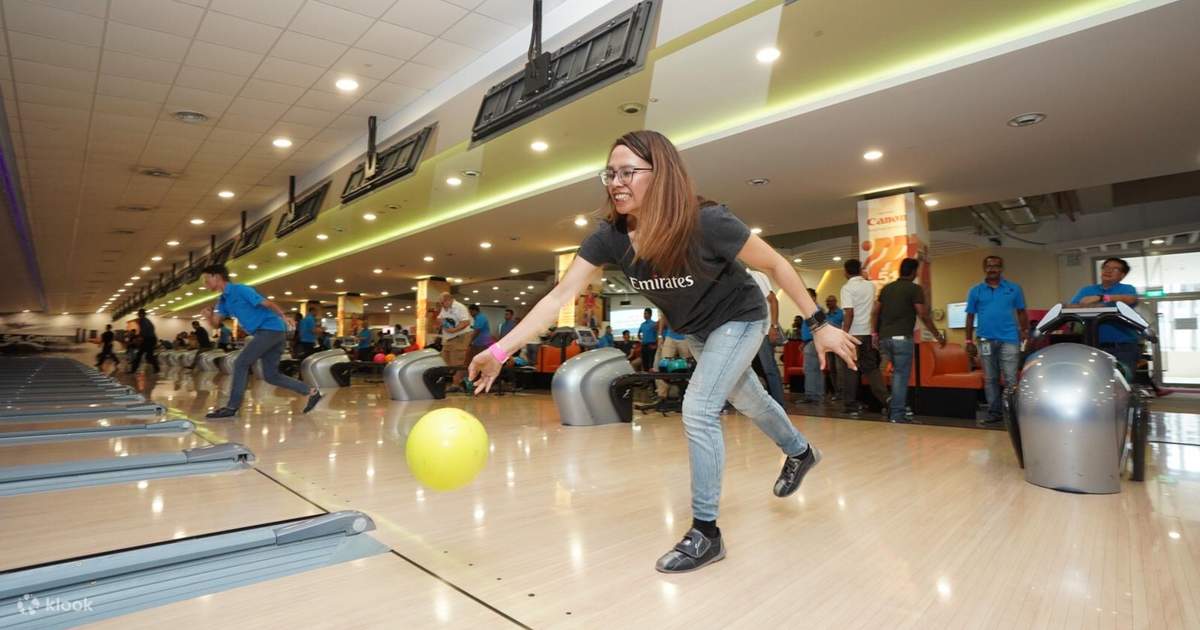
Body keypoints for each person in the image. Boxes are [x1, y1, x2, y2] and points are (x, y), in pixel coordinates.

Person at [469, 130, 857, 573]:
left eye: (628, 172)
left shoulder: (705, 220)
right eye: (610, 173)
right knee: (747, 398)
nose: (616, 182)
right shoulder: (610, 236)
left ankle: (706, 533)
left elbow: (774, 264)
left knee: (698, 408)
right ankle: (800, 452)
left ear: (662, 174)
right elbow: (559, 298)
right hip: (696, 330)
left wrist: (819, 324)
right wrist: (499, 351)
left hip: (741, 316)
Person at [199, 263, 321, 418]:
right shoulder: (222, 300)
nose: (205, 283)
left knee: (241, 363)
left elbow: (267, 303)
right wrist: (209, 316)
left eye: (206, 279)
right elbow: (216, 323)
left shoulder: (240, 289)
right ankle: (312, 392)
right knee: (271, 375)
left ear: (216, 276)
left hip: (271, 329)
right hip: (266, 333)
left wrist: (283, 316)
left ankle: (232, 407)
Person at [872, 257, 945, 423]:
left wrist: (875, 334)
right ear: (913, 272)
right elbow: (922, 314)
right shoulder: (914, 289)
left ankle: (890, 407)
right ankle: (897, 415)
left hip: (884, 338)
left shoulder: (887, 289)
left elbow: (875, 312)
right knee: (900, 376)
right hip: (902, 339)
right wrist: (937, 335)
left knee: (887, 373)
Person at [964, 255, 1029, 427]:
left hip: (1010, 339)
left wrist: (1025, 331)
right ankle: (994, 412)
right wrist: (968, 341)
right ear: (984, 268)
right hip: (985, 340)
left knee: (1010, 378)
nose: (993, 269)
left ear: (1001, 268)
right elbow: (970, 316)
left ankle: (1014, 413)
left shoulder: (1014, 289)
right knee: (990, 378)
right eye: (989, 266)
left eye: (996, 266)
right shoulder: (975, 291)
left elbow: (1021, 312)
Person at [1070, 256, 1140, 378]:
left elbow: (1131, 299)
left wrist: (1102, 298)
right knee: (1095, 382)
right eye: (1106, 267)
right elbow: (1072, 308)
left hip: (1123, 348)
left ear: (1122, 275)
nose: (1108, 271)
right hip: (1093, 346)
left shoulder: (1126, 289)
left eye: (1115, 269)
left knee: (1122, 384)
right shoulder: (1086, 290)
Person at [838, 259, 888, 415]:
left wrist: (844, 334)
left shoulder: (847, 288)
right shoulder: (870, 286)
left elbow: (849, 313)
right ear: (859, 270)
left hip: (853, 333)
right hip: (867, 332)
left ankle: (851, 404)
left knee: (850, 368)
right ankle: (886, 399)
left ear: (845, 271)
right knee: (871, 369)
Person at [747, 268, 786, 408]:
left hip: (763, 331)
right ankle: (759, 402)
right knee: (746, 370)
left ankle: (779, 404)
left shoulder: (755, 276)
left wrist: (773, 326)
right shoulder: (733, 278)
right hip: (746, 332)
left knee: (769, 368)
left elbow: (773, 300)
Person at [436, 292, 472, 391]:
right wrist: (440, 321)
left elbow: (466, 322)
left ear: (449, 300)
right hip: (449, 338)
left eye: (442, 303)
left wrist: (454, 330)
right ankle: (449, 382)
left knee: (457, 362)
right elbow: (440, 318)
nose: (442, 305)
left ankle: (456, 384)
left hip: (461, 337)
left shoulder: (460, 307)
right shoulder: (445, 307)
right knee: (445, 360)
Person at [654, 316, 694, 402]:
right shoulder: (671, 303)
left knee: (688, 367)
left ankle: (686, 395)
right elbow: (664, 317)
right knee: (663, 365)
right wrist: (660, 336)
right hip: (670, 337)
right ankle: (662, 395)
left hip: (685, 338)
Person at [798, 288, 825, 404]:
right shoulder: (812, 310)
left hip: (813, 342)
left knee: (809, 369)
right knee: (816, 370)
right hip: (811, 342)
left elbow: (819, 328)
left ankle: (811, 395)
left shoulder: (814, 310)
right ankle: (817, 395)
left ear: (814, 298)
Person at [824, 295, 844, 400]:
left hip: (839, 343)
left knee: (839, 368)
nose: (828, 303)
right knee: (832, 369)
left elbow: (844, 327)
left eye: (830, 301)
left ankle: (842, 392)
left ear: (835, 302)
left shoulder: (841, 313)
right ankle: (836, 392)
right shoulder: (825, 315)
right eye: (827, 301)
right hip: (828, 344)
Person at [129, 308, 160, 374]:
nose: (138, 315)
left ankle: (133, 370)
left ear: (142, 314)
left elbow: (144, 331)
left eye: (139, 314)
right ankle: (156, 368)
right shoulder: (146, 320)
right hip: (150, 339)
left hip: (149, 340)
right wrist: (140, 337)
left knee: (142, 355)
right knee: (146, 355)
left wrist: (138, 338)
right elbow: (150, 330)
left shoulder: (143, 321)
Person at [637, 308, 658, 372]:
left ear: (650, 314)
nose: (644, 315)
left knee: (651, 364)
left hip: (651, 345)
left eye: (646, 313)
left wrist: (656, 345)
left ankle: (652, 380)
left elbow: (658, 335)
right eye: (644, 313)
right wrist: (641, 339)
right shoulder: (642, 324)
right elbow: (638, 333)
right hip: (644, 346)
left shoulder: (654, 324)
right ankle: (647, 380)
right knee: (644, 364)